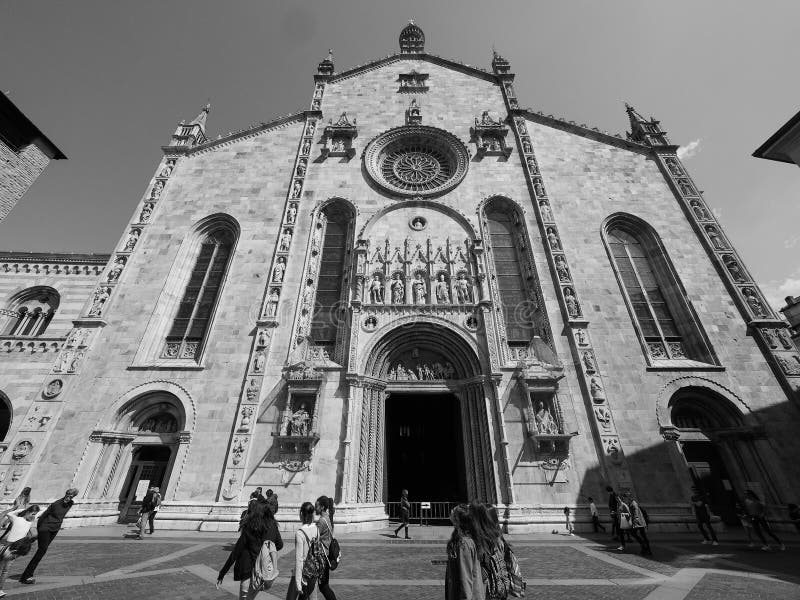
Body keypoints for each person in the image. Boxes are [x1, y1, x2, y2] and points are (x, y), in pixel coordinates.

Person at [217, 501, 283, 599]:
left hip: (247, 572)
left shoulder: (250, 526)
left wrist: (222, 573)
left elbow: (236, 551)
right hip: (262, 572)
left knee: (245, 597)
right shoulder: (273, 526)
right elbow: (280, 545)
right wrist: (266, 550)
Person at [19, 487, 78, 584]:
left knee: (42, 550)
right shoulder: (56, 504)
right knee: (42, 551)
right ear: (65, 494)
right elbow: (43, 516)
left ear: (73, 497)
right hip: (45, 528)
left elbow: (63, 512)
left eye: (71, 496)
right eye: (67, 495)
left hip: (54, 529)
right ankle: (26, 576)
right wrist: (39, 529)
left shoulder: (71, 503)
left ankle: (27, 574)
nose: (68, 497)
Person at [445, 504, 484, 600]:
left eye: (453, 513)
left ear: (457, 520)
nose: (450, 514)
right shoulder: (464, 538)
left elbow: (465, 577)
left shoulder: (464, 544)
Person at [0, 504, 40, 595]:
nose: (34, 516)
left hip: (17, 548)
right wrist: (22, 509)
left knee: (5, 570)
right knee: (2, 568)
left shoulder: (30, 523)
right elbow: (9, 513)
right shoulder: (17, 519)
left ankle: (0, 590)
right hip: (7, 546)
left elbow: (39, 514)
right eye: (33, 514)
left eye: (35, 514)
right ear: (28, 512)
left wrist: (33, 515)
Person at [288, 502, 318, 600]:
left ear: (301, 514)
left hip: (302, 573)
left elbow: (299, 559)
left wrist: (297, 582)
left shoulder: (300, 533)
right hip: (313, 570)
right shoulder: (316, 529)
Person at [315, 495, 338, 600]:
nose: (316, 508)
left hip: (322, 557)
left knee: (323, 587)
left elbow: (315, 537)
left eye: (317, 506)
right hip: (327, 554)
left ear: (322, 507)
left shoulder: (322, 521)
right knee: (323, 586)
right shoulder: (327, 518)